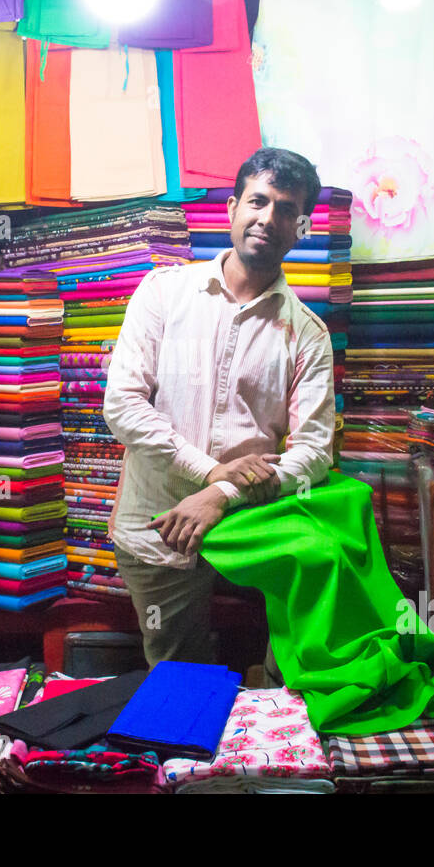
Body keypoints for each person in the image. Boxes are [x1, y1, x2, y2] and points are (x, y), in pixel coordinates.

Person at [102, 147, 337, 672]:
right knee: (176, 667)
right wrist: (206, 469)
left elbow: (315, 452)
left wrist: (222, 492)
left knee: (291, 665)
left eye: (285, 209)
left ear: (300, 228)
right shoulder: (164, 292)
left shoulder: (307, 334)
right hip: (157, 522)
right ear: (232, 207)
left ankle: (272, 745)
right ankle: (189, 751)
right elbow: (121, 403)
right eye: (258, 201)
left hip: (253, 522)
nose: (268, 218)